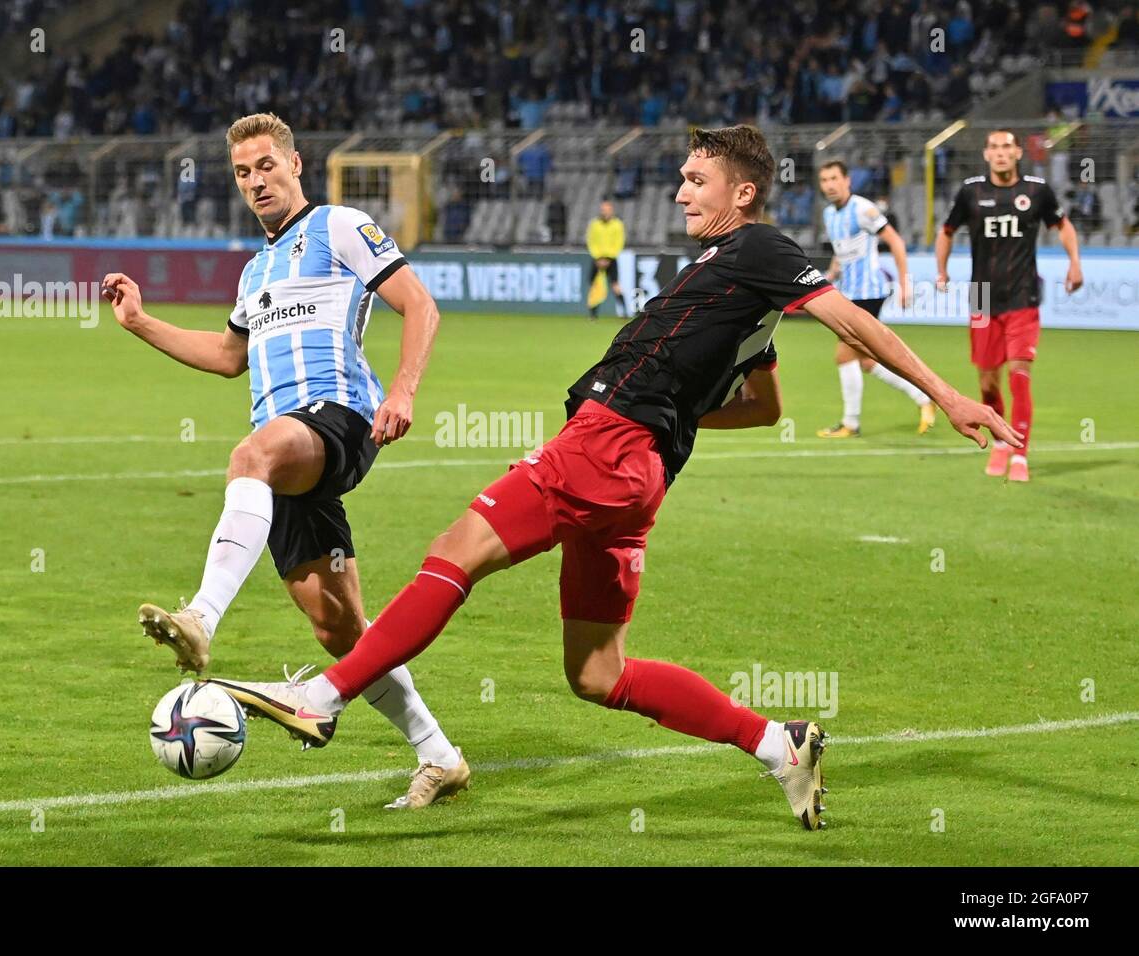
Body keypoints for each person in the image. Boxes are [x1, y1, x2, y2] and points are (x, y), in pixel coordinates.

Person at [200, 126, 1021, 831]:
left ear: (743, 191)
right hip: (636, 469)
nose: (679, 191)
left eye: (696, 180)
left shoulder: (762, 249)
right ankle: (780, 744)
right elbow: (764, 406)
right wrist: (674, 418)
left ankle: (326, 698)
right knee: (596, 673)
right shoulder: (737, 285)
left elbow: (852, 319)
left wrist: (946, 394)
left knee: (454, 551)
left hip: (605, 444)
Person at [101, 112, 468, 809]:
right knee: (339, 629)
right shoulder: (255, 270)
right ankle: (439, 755)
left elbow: (418, 304)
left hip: (340, 421)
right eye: (243, 172)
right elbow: (228, 357)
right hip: (287, 452)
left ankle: (203, 617)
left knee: (249, 453)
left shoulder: (337, 226)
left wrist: (404, 390)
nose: (256, 180)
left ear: (295, 164)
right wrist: (141, 323)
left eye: (267, 164)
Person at [936, 129, 1083, 482]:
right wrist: (941, 271)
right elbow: (946, 231)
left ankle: (1020, 453)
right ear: (986, 155)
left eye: (1007, 147)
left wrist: (1074, 262)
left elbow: (1063, 226)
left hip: (1023, 296)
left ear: (1018, 152)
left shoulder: (1037, 190)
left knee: (1020, 374)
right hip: (983, 297)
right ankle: (1001, 440)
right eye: (994, 148)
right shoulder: (971, 192)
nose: (1000, 153)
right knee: (988, 382)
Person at [815, 160, 935, 437]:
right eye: (824, 180)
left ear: (847, 181)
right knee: (868, 361)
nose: (829, 185)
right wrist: (831, 275)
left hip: (868, 293)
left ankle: (850, 423)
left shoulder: (863, 209)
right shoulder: (830, 214)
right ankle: (924, 399)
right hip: (849, 293)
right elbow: (842, 251)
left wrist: (904, 283)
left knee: (844, 355)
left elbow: (896, 241)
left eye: (834, 178)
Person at [585, 199, 627, 319]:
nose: (605, 212)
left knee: (615, 285)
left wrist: (608, 257)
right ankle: (593, 314)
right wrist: (598, 257)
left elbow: (619, 242)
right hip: (597, 259)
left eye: (607, 209)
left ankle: (624, 312)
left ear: (611, 210)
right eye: (603, 209)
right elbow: (591, 241)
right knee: (594, 286)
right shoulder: (594, 224)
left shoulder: (617, 224)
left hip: (611, 259)